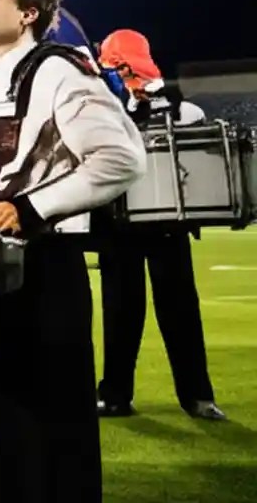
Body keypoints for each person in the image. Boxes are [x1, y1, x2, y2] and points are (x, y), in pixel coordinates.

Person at [0, 0, 146, 503]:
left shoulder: (56, 67)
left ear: (28, 13)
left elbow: (120, 158)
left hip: (45, 269)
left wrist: (32, 207)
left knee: (54, 427)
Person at [93, 29, 225, 421]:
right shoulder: (105, 106)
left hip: (169, 224)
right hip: (120, 226)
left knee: (181, 311)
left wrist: (145, 101)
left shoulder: (185, 110)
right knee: (120, 313)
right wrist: (130, 106)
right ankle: (115, 394)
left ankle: (197, 397)